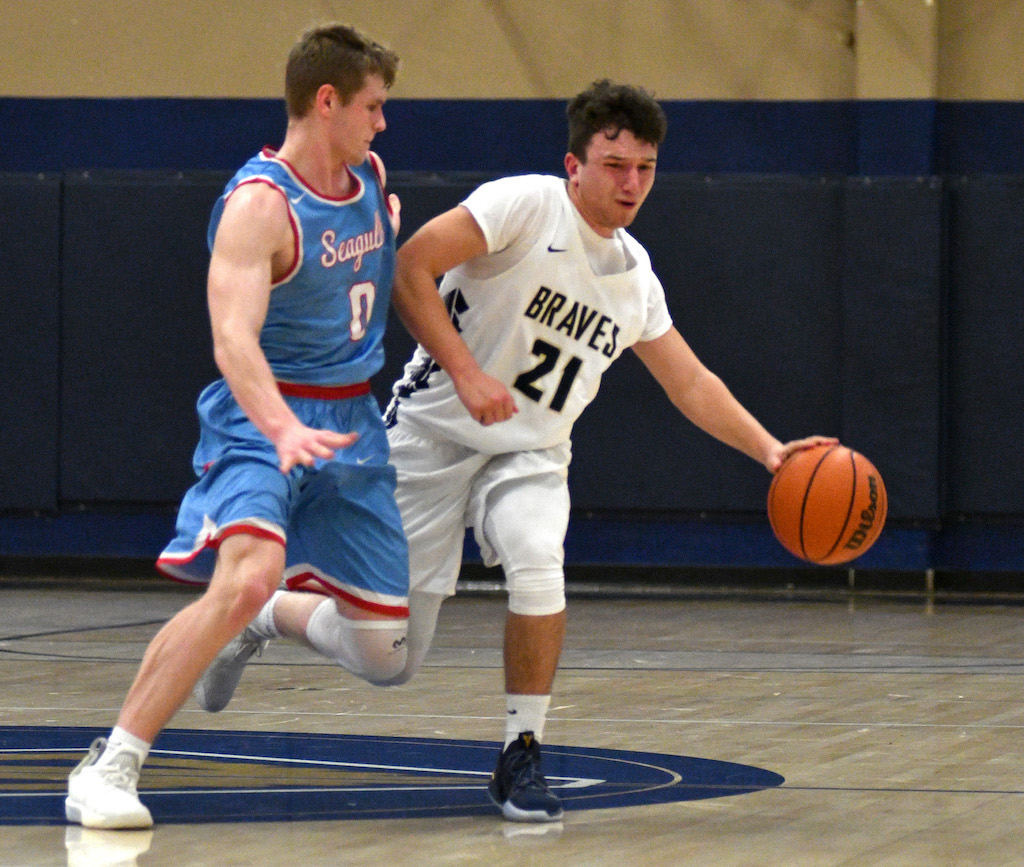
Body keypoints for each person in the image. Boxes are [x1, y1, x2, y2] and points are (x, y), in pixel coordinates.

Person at [204, 79, 834, 824]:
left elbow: (690, 382)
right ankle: (267, 615)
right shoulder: (524, 205)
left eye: (645, 168)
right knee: (389, 658)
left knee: (539, 555)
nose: (631, 183)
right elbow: (410, 267)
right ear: (575, 165)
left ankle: (521, 752)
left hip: (531, 453)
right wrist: (466, 373)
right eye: (614, 164)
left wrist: (770, 452)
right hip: (433, 436)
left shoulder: (635, 278)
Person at [65, 23, 408, 830]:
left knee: (386, 655)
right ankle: (110, 763)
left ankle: (261, 618)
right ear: (326, 102)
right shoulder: (261, 205)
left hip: (352, 420)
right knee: (248, 570)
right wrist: (281, 426)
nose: (382, 123)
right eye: (373, 106)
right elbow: (232, 340)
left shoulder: (369, 177)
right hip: (262, 415)